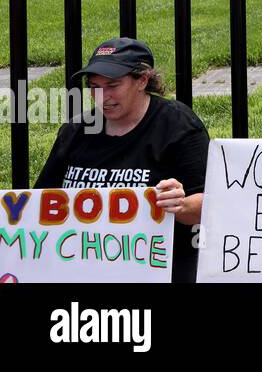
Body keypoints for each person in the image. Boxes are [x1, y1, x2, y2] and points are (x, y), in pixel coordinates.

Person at [35, 37, 209, 283]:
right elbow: (39, 202)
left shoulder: (178, 126)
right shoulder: (76, 131)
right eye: (94, 87)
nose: (102, 97)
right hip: (79, 268)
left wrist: (180, 205)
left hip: (158, 270)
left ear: (143, 80)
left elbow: (210, 205)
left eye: (113, 85)